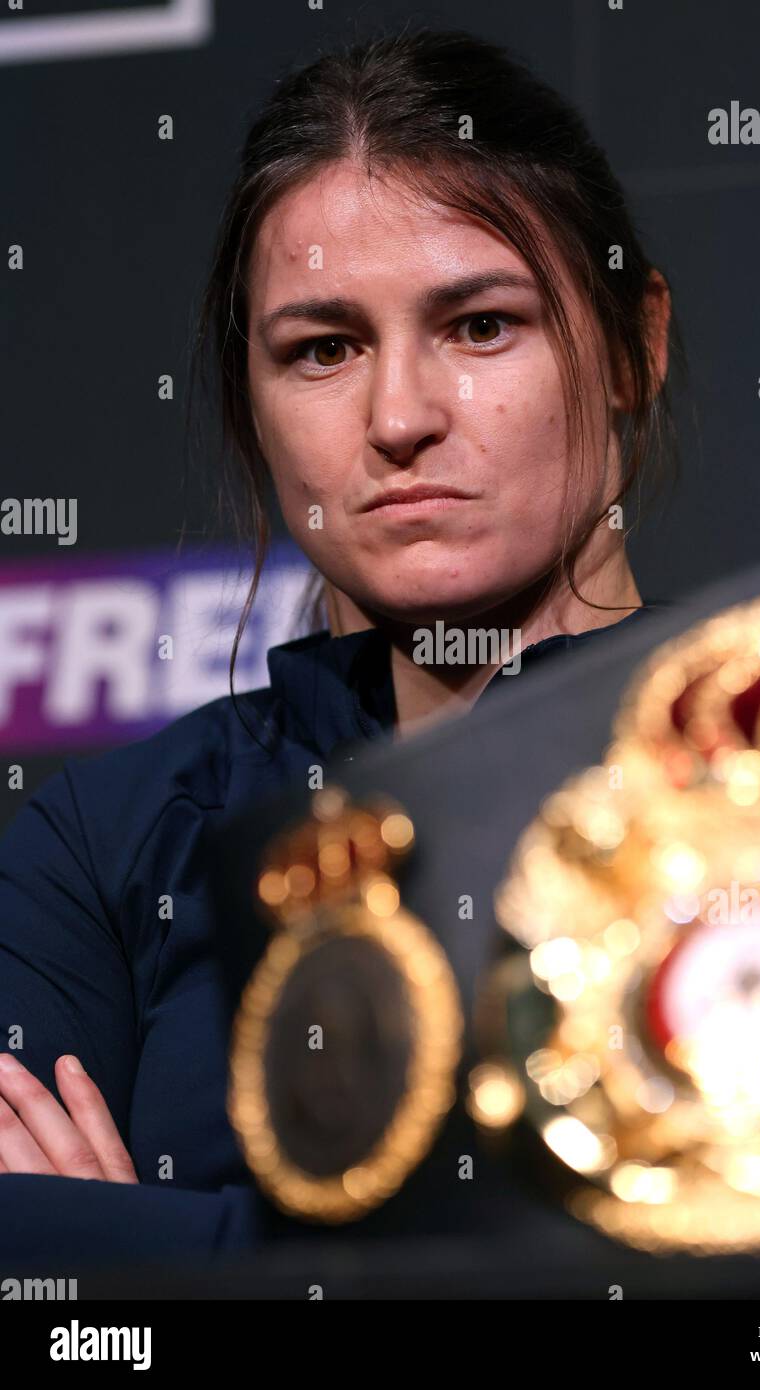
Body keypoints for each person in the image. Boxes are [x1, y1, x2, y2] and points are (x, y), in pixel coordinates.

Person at [0, 28, 675, 1263]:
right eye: (323, 348)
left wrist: (140, 1249)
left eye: (478, 325)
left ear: (633, 344)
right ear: (250, 402)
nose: (400, 418)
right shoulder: (108, 839)